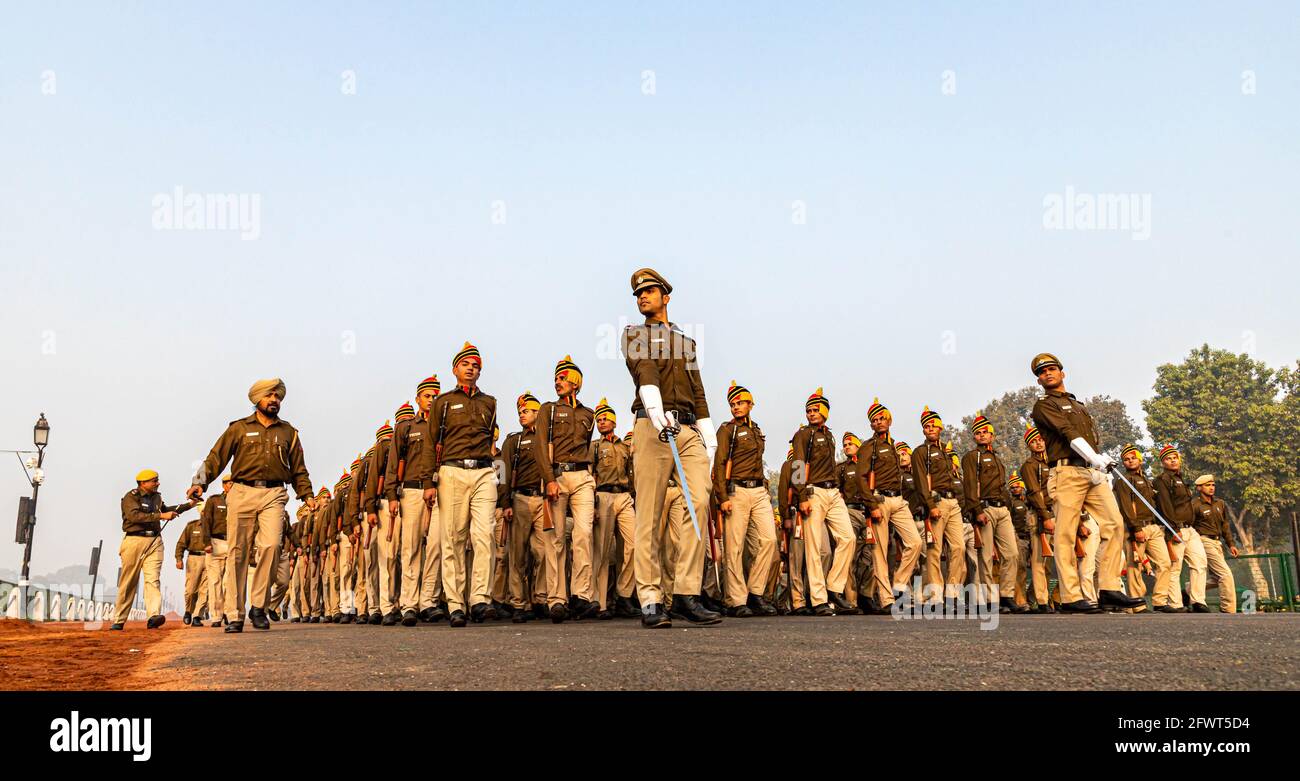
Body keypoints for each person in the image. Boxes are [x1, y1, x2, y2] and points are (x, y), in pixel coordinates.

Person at [621, 268, 720, 628]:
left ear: (666, 296)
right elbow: (644, 370)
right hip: (652, 425)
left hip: (686, 426)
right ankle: (650, 597)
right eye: (638, 294)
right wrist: (654, 406)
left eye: (649, 291)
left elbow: (698, 387)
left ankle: (685, 593)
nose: (642, 297)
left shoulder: (686, 342)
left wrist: (708, 432)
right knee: (648, 511)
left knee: (699, 499)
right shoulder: (634, 334)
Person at [187, 379, 316, 632]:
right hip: (242, 491)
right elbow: (216, 457)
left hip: (274, 494)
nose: (274, 400)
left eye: (277, 396)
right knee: (238, 551)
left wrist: (307, 494)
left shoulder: (289, 433)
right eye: (269, 396)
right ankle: (235, 614)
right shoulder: (239, 428)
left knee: (271, 546)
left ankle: (258, 607)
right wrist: (199, 483)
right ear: (257, 399)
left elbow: (298, 468)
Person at [1028, 354, 1143, 613]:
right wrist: (1094, 457)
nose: (1048, 373)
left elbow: (1090, 438)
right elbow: (1068, 434)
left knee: (1115, 524)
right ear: (1038, 379)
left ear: (1062, 372)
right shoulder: (1043, 405)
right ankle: (1070, 597)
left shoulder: (1077, 404)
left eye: (1052, 369)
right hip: (1067, 472)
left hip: (1092, 472)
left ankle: (1109, 588)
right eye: (1042, 372)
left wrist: (1100, 463)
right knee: (1066, 534)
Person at [417, 342, 500, 627]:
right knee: (453, 538)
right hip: (451, 471)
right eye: (466, 364)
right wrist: (429, 481)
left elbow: (490, 438)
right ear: (455, 369)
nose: (471, 368)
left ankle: (480, 599)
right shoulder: (443, 402)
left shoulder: (490, 402)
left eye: (476, 365)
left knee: (485, 535)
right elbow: (431, 443)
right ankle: (455, 603)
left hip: (483, 472)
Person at [533, 356, 598, 618]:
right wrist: (548, 478)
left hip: (582, 477)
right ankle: (556, 599)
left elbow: (586, 446)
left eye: (563, 378)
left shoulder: (589, 415)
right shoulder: (547, 410)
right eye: (556, 378)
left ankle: (581, 595)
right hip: (556, 477)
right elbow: (540, 447)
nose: (558, 382)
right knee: (555, 539)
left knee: (583, 534)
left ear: (576, 383)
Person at [712, 382, 777, 617]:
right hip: (736, 490)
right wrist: (722, 497)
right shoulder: (727, 430)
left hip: (759, 491)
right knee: (734, 547)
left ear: (751, 404)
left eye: (740, 403)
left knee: (769, 540)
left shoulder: (757, 430)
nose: (736, 407)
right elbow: (718, 465)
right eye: (732, 404)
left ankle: (755, 592)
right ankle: (735, 600)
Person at [790, 388, 856, 616]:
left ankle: (834, 588)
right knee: (814, 547)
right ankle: (819, 599)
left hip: (833, 492)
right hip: (813, 493)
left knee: (848, 538)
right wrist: (801, 496)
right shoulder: (803, 435)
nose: (811, 414)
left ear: (825, 411)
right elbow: (798, 465)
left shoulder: (829, 435)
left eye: (815, 410)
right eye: (808, 410)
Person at [387, 378, 444, 627]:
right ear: (418, 399)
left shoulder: (444, 426)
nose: (432, 399)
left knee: (436, 547)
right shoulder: (406, 427)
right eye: (427, 395)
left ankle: (428, 602)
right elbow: (393, 463)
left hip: (441, 490)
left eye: (435, 396)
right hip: (412, 492)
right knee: (410, 549)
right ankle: (409, 603)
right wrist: (391, 496)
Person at [859, 398, 923, 612]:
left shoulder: (894, 446)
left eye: (881, 418)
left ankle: (898, 586)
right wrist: (871, 504)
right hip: (879, 500)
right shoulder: (869, 446)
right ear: (871, 425)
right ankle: (887, 599)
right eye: (874, 420)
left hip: (898, 500)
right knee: (879, 551)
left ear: (889, 420)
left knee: (915, 543)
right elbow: (861, 477)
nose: (878, 422)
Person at [112, 469, 196, 629]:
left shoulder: (157, 497)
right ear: (143, 483)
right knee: (129, 581)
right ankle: (119, 619)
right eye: (154, 481)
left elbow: (165, 511)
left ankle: (153, 616)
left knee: (153, 579)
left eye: (157, 480)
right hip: (134, 540)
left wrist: (190, 505)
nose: (158, 483)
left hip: (155, 540)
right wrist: (160, 517)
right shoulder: (131, 497)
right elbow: (133, 516)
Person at [960, 413, 1023, 613]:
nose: (982, 435)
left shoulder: (997, 458)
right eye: (977, 433)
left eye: (985, 432)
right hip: (985, 508)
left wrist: (1007, 506)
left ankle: (1007, 595)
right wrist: (976, 509)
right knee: (986, 557)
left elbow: (1002, 486)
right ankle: (989, 600)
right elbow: (969, 485)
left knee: (1012, 554)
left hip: (1002, 509)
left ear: (992, 435)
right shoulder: (972, 457)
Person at [591, 398, 640, 618]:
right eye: (598, 420)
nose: (601, 422)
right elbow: (591, 476)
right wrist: (592, 502)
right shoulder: (594, 447)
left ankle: (624, 596)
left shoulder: (624, 447)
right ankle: (599, 602)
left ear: (614, 421)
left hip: (624, 496)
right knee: (601, 550)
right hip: (603, 496)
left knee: (632, 545)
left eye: (605, 419)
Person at [913, 407, 965, 607]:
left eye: (933, 425)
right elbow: (920, 481)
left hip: (954, 503)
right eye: (926, 426)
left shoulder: (946, 450)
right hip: (937, 502)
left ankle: (952, 594)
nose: (930, 428)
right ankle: (936, 595)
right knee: (934, 550)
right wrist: (930, 504)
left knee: (958, 547)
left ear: (940, 427)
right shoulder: (921, 452)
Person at [1112, 444, 1172, 613]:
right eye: (1126, 459)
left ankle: (1160, 601)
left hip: (1153, 527)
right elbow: (1125, 507)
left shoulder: (1147, 479)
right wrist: (1136, 528)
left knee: (1165, 563)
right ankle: (1137, 604)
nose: (1130, 461)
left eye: (1133, 458)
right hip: (1137, 528)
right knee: (1134, 566)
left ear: (1140, 459)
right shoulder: (1123, 480)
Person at [1153, 445, 1198, 612]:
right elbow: (1165, 506)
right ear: (1163, 462)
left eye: (1175, 457)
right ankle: (1176, 604)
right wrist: (1172, 529)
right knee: (1175, 567)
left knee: (1200, 564)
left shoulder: (1181, 478)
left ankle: (1198, 601)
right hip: (1176, 528)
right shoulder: (1162, 479)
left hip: (1190, 529)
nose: (1173, 460)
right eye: (1168, 458)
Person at [1192, 475, 1239, 613]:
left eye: (1213, 485)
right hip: (1203, 541)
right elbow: (1190, 525)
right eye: (1207, 485)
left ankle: (1188, 590)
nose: (1211, 487)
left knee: (1216, 578)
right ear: (1199, 488)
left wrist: (1231, 544)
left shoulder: (1220, 503)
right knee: (1225, 574)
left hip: (1218, 542)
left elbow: (1225, 525)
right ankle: (1228, 610)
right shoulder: (1194, 505)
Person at [175, 504, 209, 626]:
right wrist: (179, 559)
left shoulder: (216, 527)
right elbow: (181, 544)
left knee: (205, 590)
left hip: (210, 558)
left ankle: (197, 616)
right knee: (191, 590)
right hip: (194, 559)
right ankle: (188, 611)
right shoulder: (192, 526)